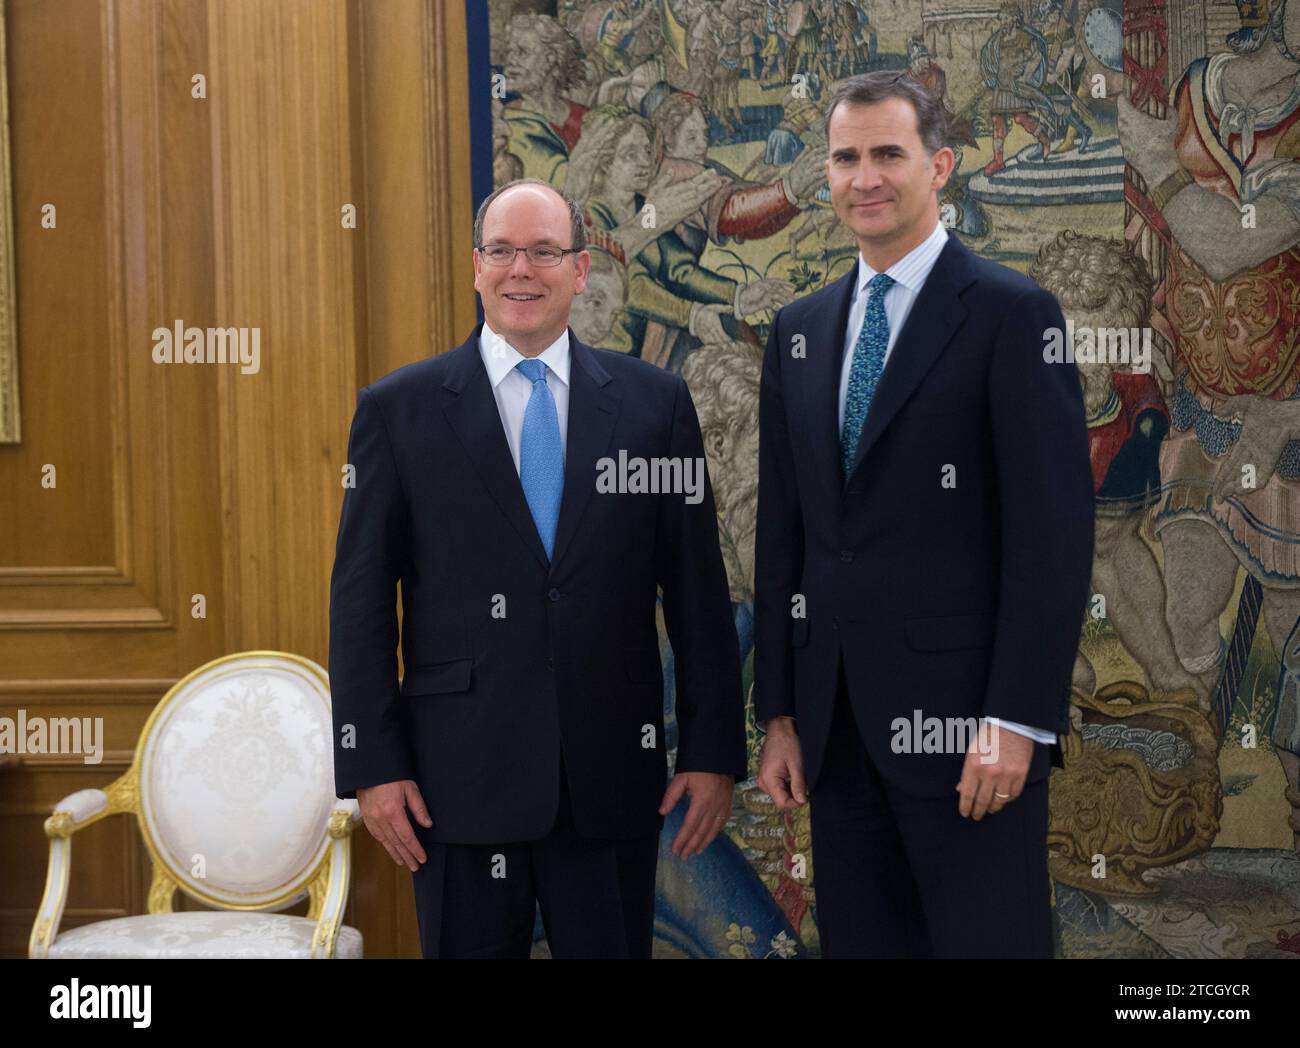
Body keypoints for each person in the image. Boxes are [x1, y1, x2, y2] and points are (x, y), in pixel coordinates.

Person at [329, 178, 745, 958]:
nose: (523, 269)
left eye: (545, 251)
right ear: (476, 266)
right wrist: (371, 767)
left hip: (610, 777)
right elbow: (358, 605)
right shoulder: (399, 411)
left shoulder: (655, 407)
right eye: (503, 251)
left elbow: (697, 591)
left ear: (580, 269)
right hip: (452, 784)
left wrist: (712, 751)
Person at [752, 72, 1093, 958]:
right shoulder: (798, 330)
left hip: (971, 741)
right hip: (837, 736)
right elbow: (784, 535)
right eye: (846, 157)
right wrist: (782, 715)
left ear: (939, 166)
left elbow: (1051, 540)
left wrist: (1017, 720)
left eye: (888, 154)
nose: (865, 177)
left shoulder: (1015, 316)